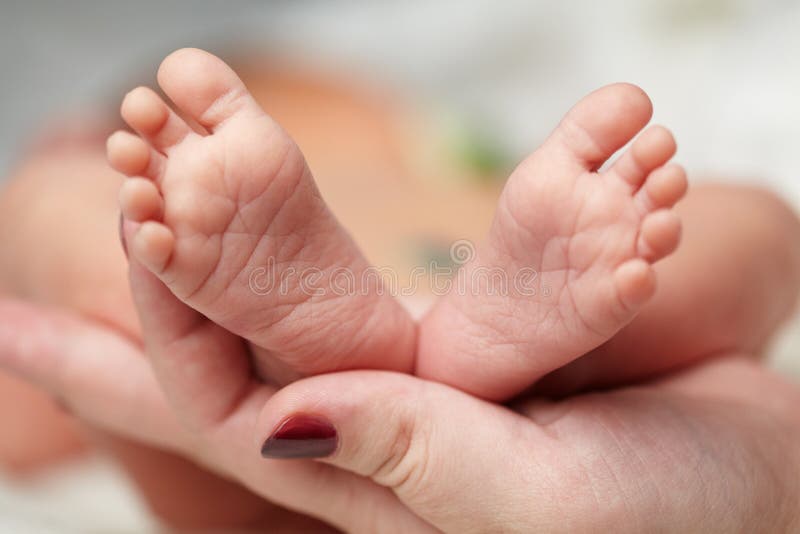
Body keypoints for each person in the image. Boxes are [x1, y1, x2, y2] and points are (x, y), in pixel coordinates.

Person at [1, 48, 799, 532]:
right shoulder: (488, 192)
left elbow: (27, 425)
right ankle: (550, 362)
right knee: (756, 223)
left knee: (48, 206)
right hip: (450, 291)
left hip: (277, 445)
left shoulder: (476, 179)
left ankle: (300, 356)